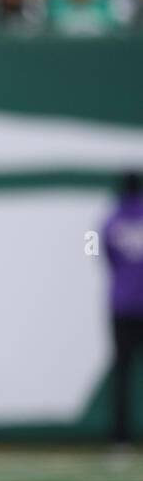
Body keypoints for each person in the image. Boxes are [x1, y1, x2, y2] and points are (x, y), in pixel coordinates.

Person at [102, 172, 143, 445]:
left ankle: (120, 439)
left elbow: (109, 259)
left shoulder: (112, 220)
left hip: (121, 305)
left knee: (123, 372)